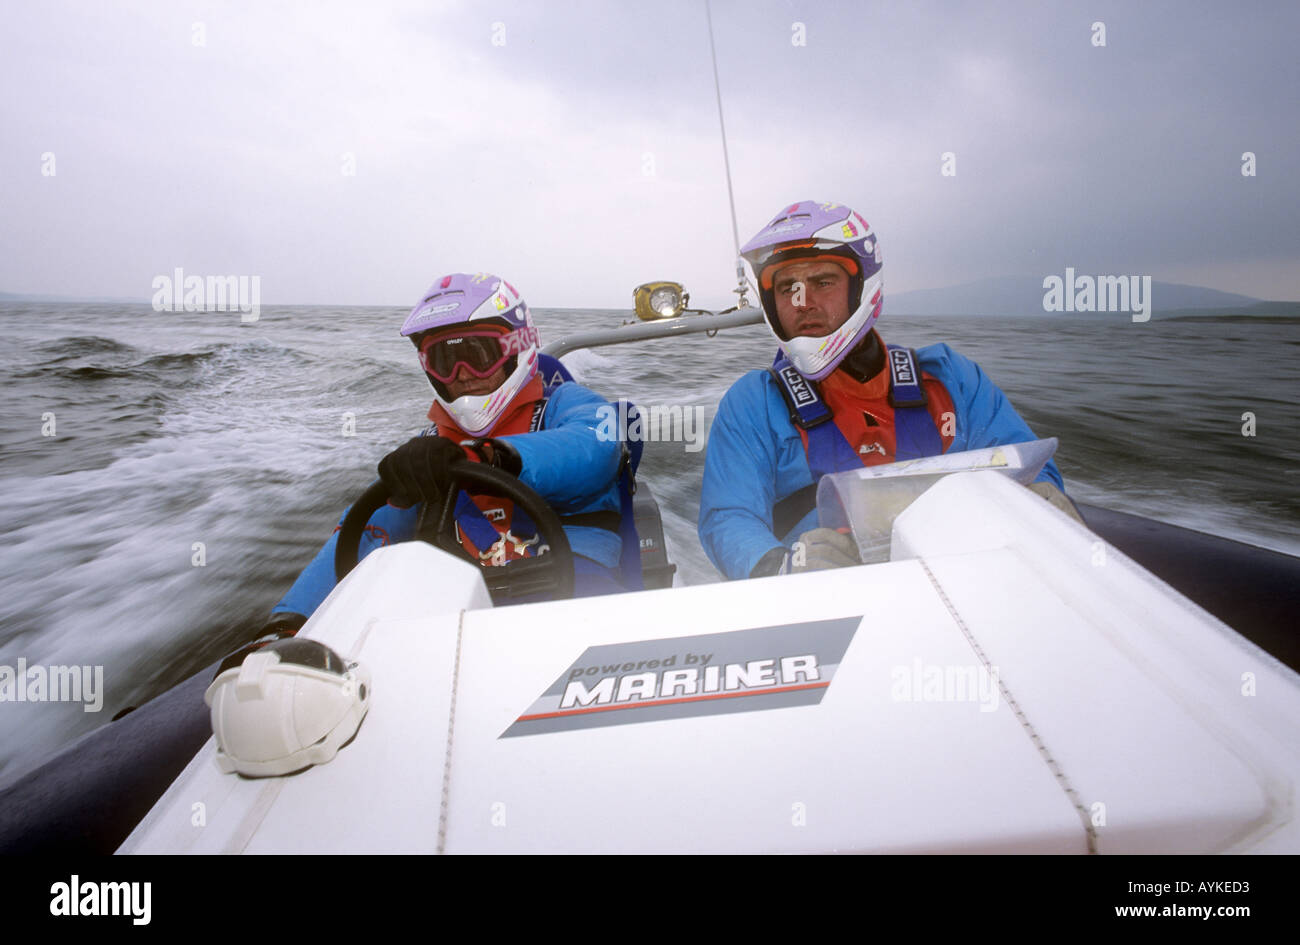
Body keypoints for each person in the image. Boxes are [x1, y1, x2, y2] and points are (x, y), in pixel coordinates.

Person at [698, 200, 1084, 580]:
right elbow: (728, 517)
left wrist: (1040, 498)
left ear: (863, 286)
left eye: (822, 282)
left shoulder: (951, 378)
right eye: (786, 288)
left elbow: (1027, 463)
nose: (802, 302)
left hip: (962, 586)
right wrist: (778, 565)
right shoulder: (753, 402)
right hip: (824, 603)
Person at [256, 272, 636, 641]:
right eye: (444, 360)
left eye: (477, 354)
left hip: (575, 575)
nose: (462, 374)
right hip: (454, 594)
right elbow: (369, 530)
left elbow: (594, 447)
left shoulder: (566, 403)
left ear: (516, 348)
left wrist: (490, 457)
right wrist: (290, 624)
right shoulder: (431, 446)